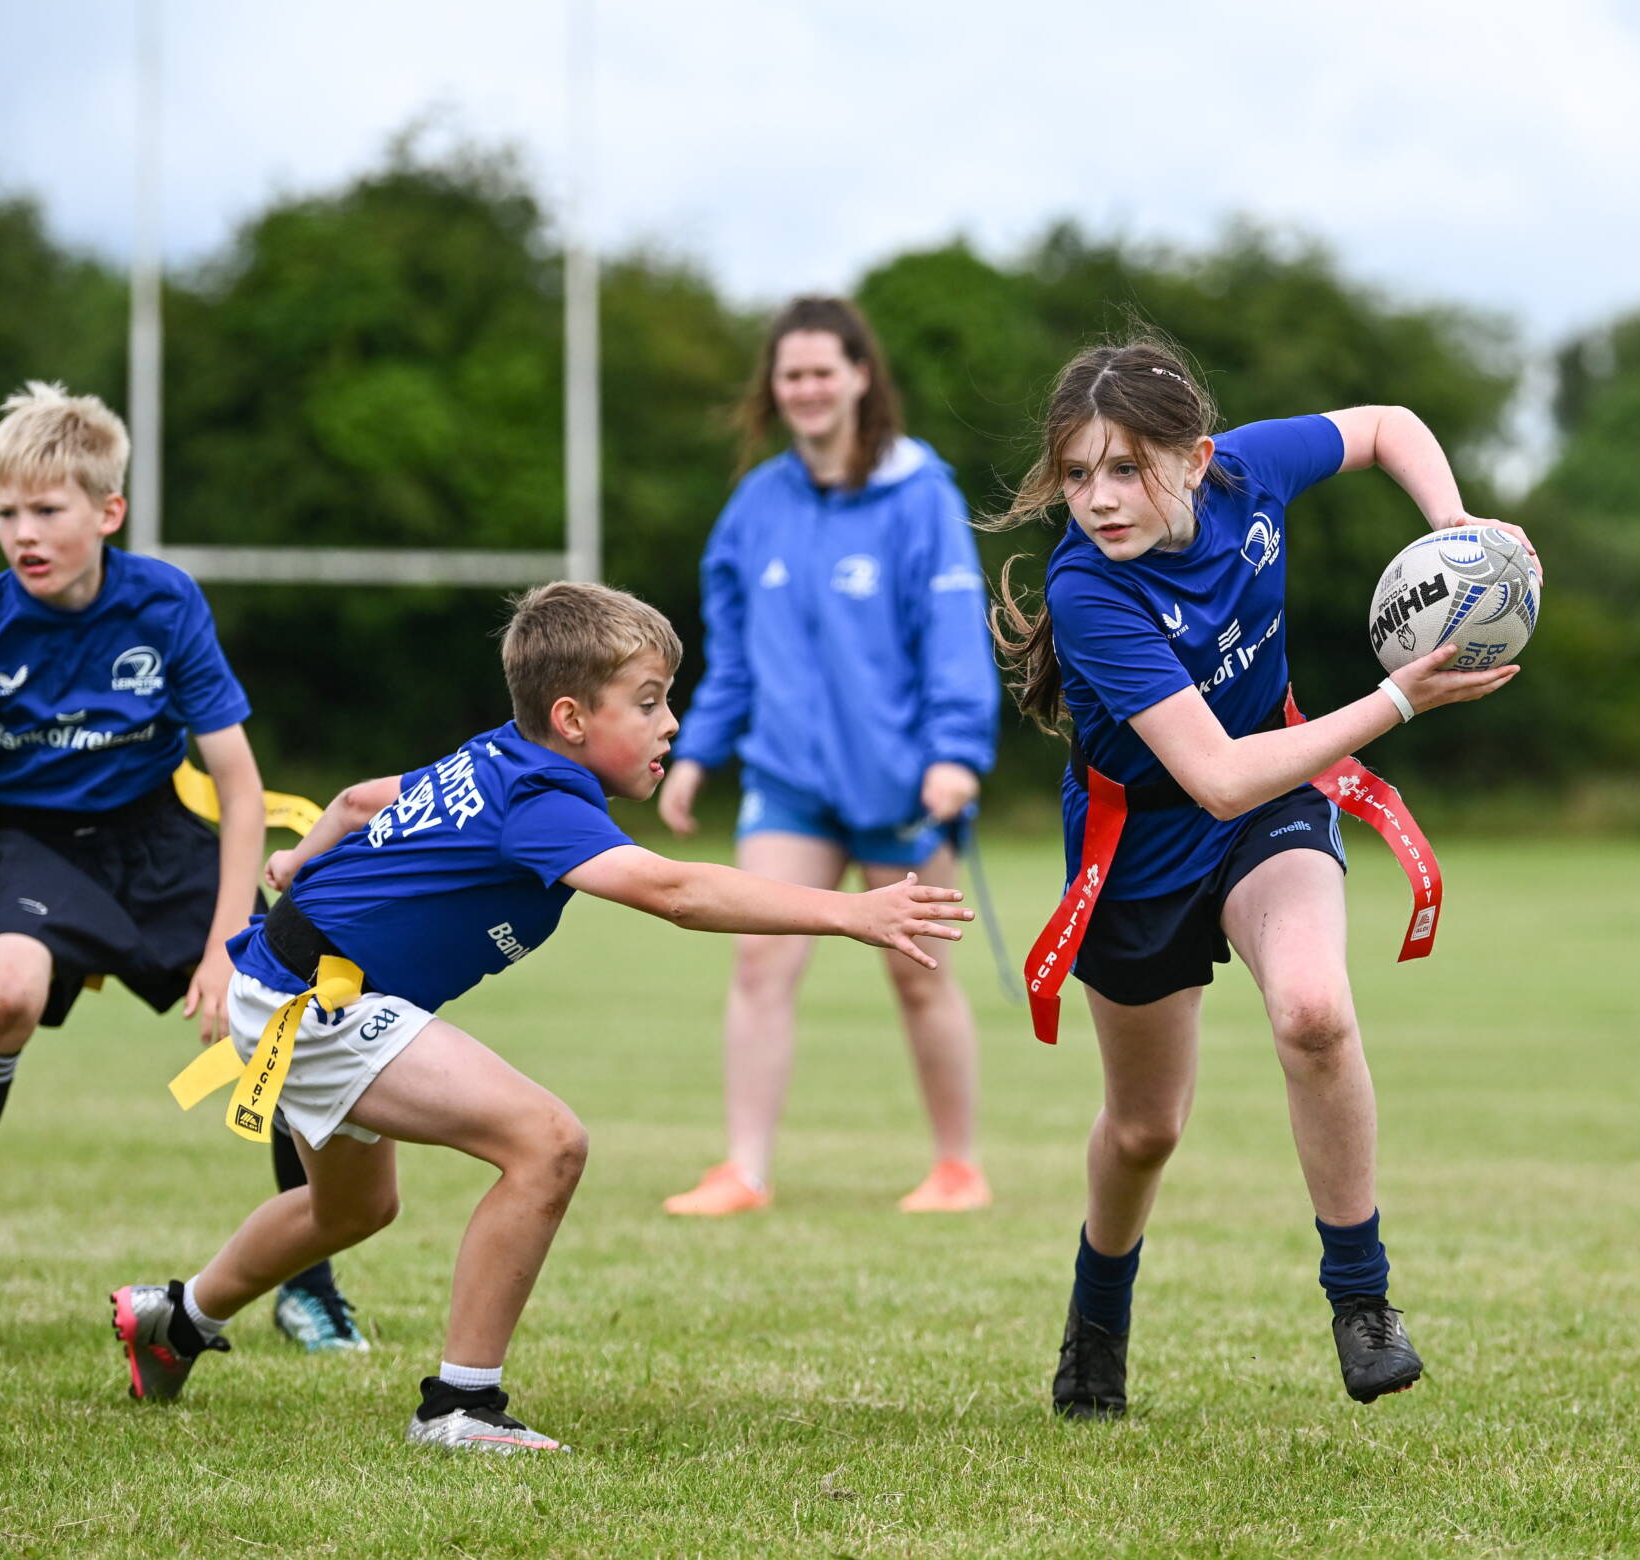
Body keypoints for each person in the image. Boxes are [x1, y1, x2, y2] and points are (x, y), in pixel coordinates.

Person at [111, 582, 972, 1452]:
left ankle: (173, 1319)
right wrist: (851, 912)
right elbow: (673, 891)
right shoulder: (543, 799)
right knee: (546, 1142)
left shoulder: (501, 755)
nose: (670, 722)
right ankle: (460, 1407)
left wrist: (303, 858)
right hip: (320, 998)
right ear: (569, 718)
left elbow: (361, 800)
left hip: (293, 982)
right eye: (647, 703)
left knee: (351, 1212)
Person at [982, 339, 1532, 1415]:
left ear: (1192, 460)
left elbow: (1383, 423)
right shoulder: (1088, 592)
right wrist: (1399, 701)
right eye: (1078, 473)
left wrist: (1453, 530)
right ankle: (1096, 1315)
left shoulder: (1247, 470)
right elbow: (1213, 777)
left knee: (1315, 1013)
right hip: (1141, 845)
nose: (1097, 499)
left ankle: (1360, 1300)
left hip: (1269, 804)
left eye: (1125, 469)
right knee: (1144, 1128)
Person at [0, 382, 368, 1354]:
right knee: (4, 993)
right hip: (39, 843)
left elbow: (240, 789)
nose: (23, 533)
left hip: (162, 836)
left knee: (281, 1008)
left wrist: (229, 950)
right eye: (6, 512)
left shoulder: (163, 603)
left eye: (46, 510)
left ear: (108, 512)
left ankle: (308, 1281)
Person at [656, 296, 1002, 1218]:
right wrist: (693, 754)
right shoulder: (754, 506)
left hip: (900, 783)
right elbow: (731, 654)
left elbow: (954, 636)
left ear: (858, 377)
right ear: (774, 388)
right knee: (761, 962)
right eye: (791, 373)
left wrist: (956, 753)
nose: (807, 388)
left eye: (822, 370)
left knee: (915, 969)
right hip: (788, 779)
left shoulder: (921, 494)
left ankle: (957, 1167)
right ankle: (745, 1171)